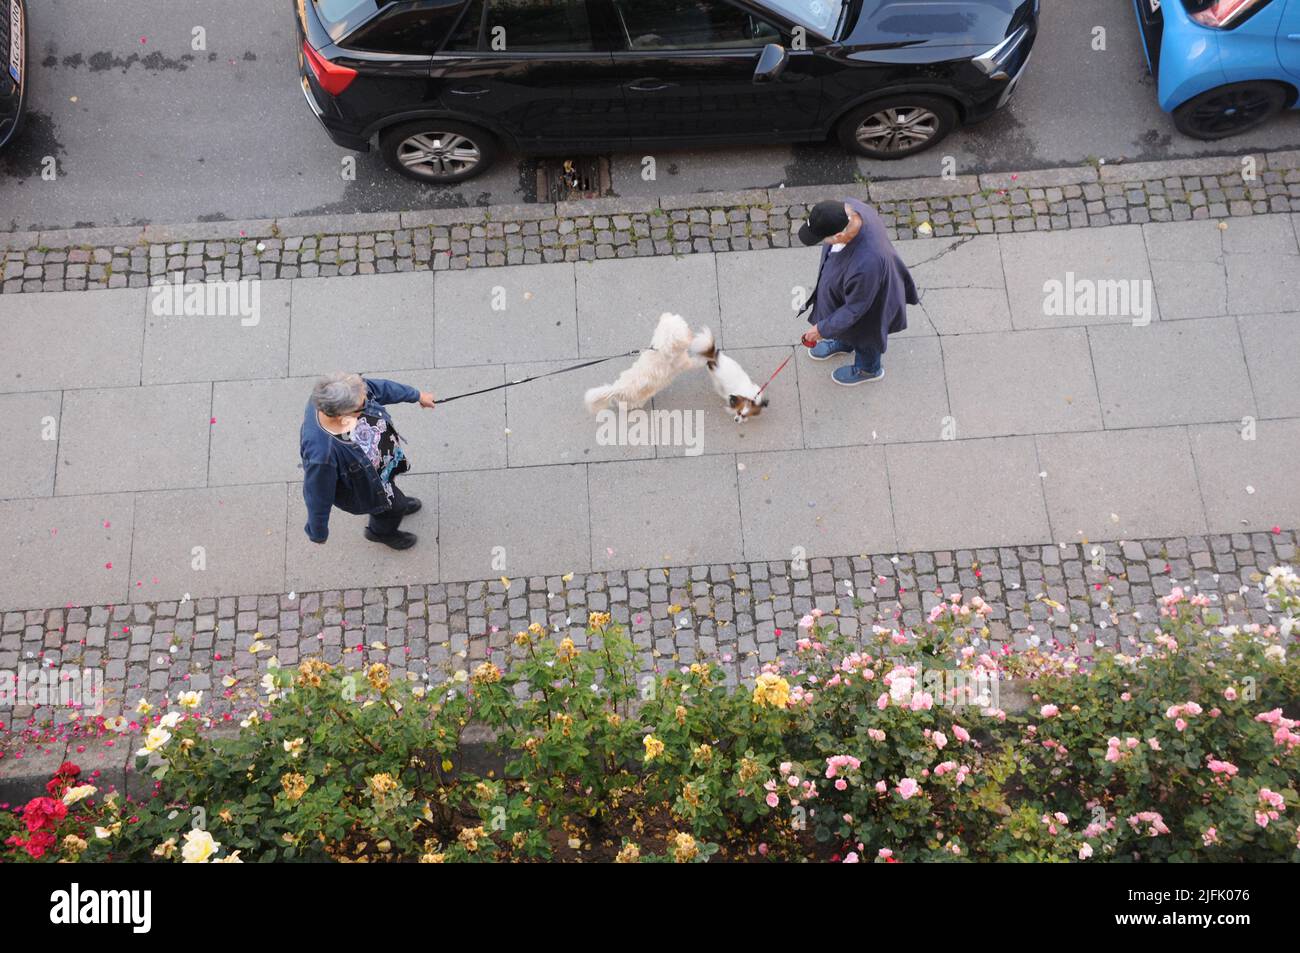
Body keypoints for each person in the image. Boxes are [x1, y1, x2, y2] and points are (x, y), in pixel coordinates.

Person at [301, 373, 436, 550]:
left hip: (379, 467)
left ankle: (395, 502)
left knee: (394, 497)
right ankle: (380, 532)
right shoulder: (322, 454)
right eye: (361, 406)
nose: (368, 403)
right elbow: (317, 494)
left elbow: (379, 388)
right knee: (392, 508)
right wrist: (317, 532)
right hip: (364, 486)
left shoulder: (347, 391)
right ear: (341, 414)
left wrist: (416, 395)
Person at [798, 198, 919, 385]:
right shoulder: (851, 208)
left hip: (869, 305)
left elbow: (855, 309)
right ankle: (844, 341)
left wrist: (822, 329)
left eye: (824, 238)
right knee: (847, 327)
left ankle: (869, 369)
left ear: (838, 236)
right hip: (852, 289)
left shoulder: (866, 264)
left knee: (866, 335)